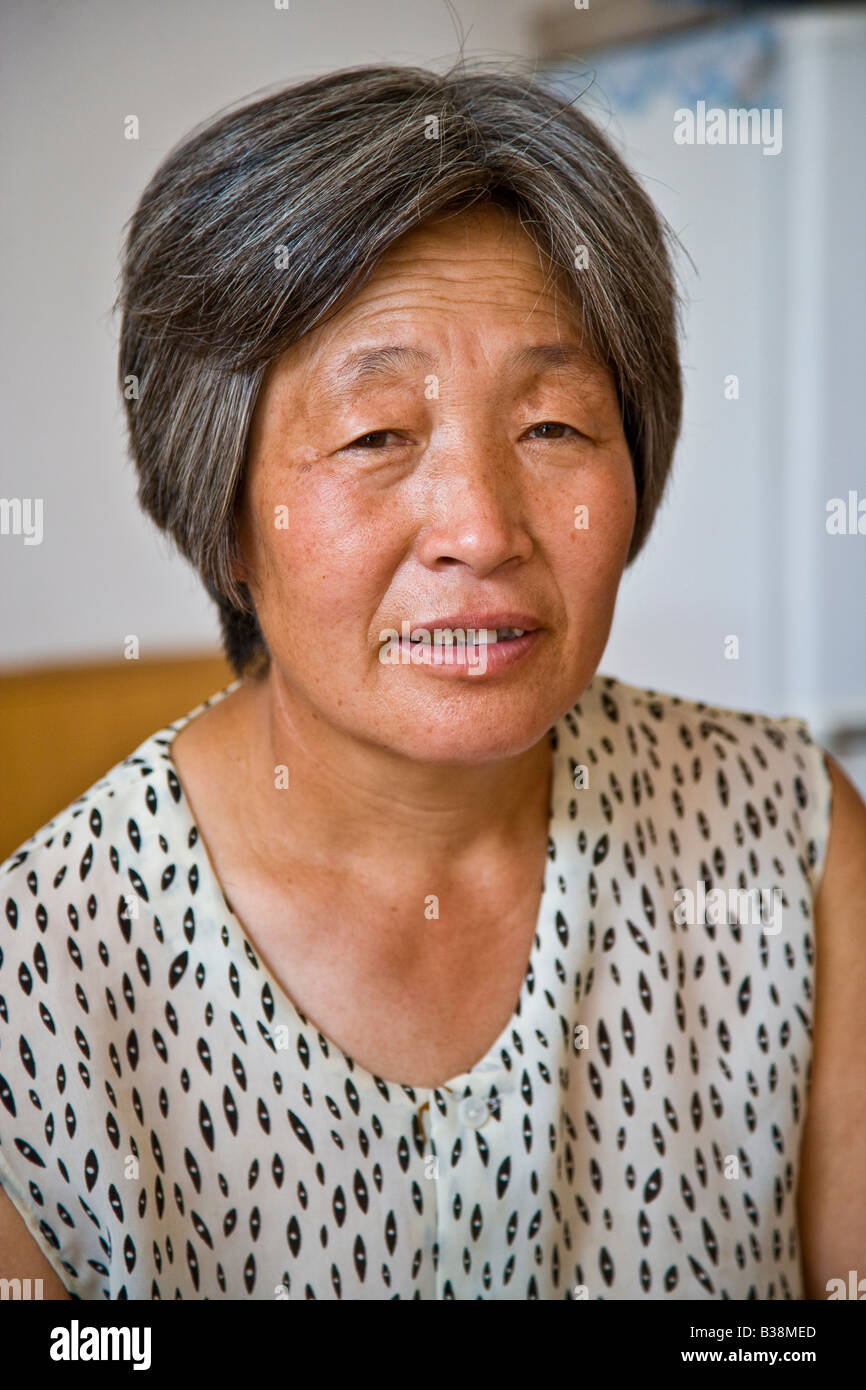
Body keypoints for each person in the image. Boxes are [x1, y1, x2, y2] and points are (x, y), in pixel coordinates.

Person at [1, 63, 864, 1302]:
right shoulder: (39, 986)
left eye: (553, 426)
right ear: (227, 517)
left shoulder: (786, 841)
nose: (479, 528)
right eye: (375, 438)